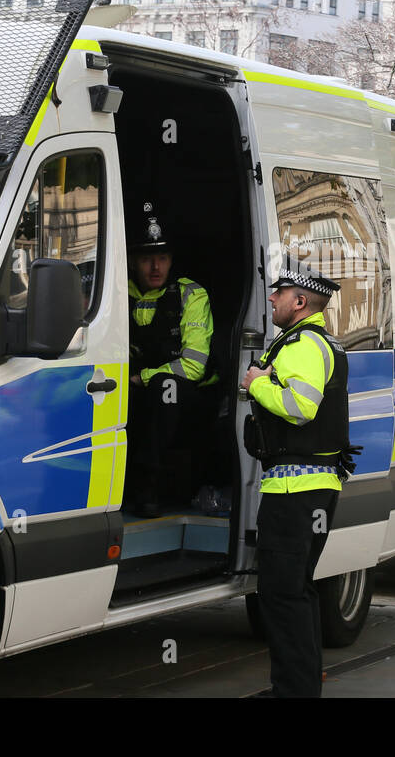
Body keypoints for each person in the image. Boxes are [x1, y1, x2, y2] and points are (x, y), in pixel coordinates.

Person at [240, 262, 351, 698]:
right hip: (312, 489)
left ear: (299, 302)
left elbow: (301, 406)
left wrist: (257, 384)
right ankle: (297, 688)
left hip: (294, 492)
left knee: (283, 596)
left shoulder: (304, 344)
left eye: (278, 293)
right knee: (296, 594)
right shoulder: (318, 342)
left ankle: (293, 692)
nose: (271, 299)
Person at [126, 201, 214, 517]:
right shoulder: (117, 294)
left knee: (166, 388)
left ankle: (149, 485)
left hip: (190, 397)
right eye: (148, 258)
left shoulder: (190, 294)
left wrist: (143, 377)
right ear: (133, 261)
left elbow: (193, 366)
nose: (155, 267)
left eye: (162, 258)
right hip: (137, 390)